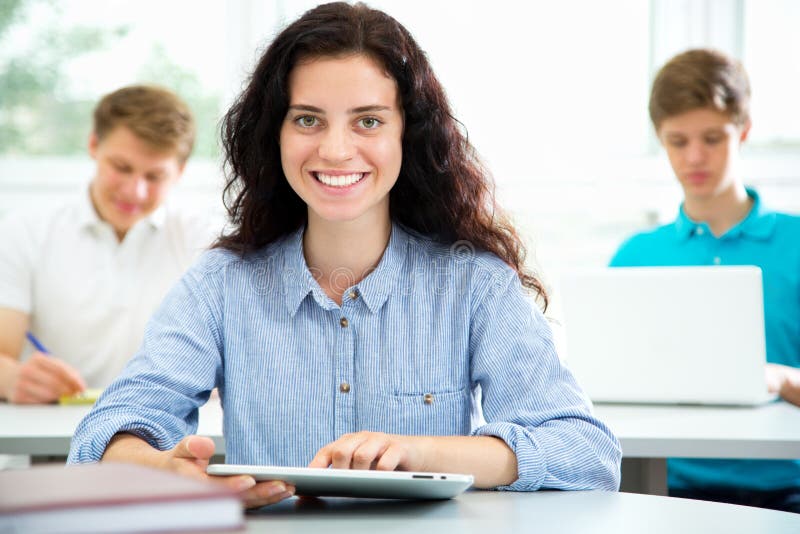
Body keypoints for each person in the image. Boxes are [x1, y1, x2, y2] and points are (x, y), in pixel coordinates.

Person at [68, 2, 621, 508]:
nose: (335, 150)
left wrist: (421, 455)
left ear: (410, 134)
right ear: (274, 134)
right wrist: (161, 468)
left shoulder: (474, 283)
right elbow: (106, 431)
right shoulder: (221, 283)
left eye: (369, 121)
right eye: (308, 119)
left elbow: (585, 451)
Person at [610, 48, 800, 512]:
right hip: (660, 492)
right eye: (678, 141)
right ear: (660, 138)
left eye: (713, 138)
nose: (695, 157)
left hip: (786, 492)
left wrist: (782, 380)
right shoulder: (634, 258)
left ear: (745, 131)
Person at [0, 85, 213, 404]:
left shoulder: (206, 242)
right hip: (52, 439)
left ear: (180, 172)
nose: (135, 191)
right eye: (122, 168)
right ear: (93, 145)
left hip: (169, 441)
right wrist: (11, 378)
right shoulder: (25, 232)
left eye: (154, 177)